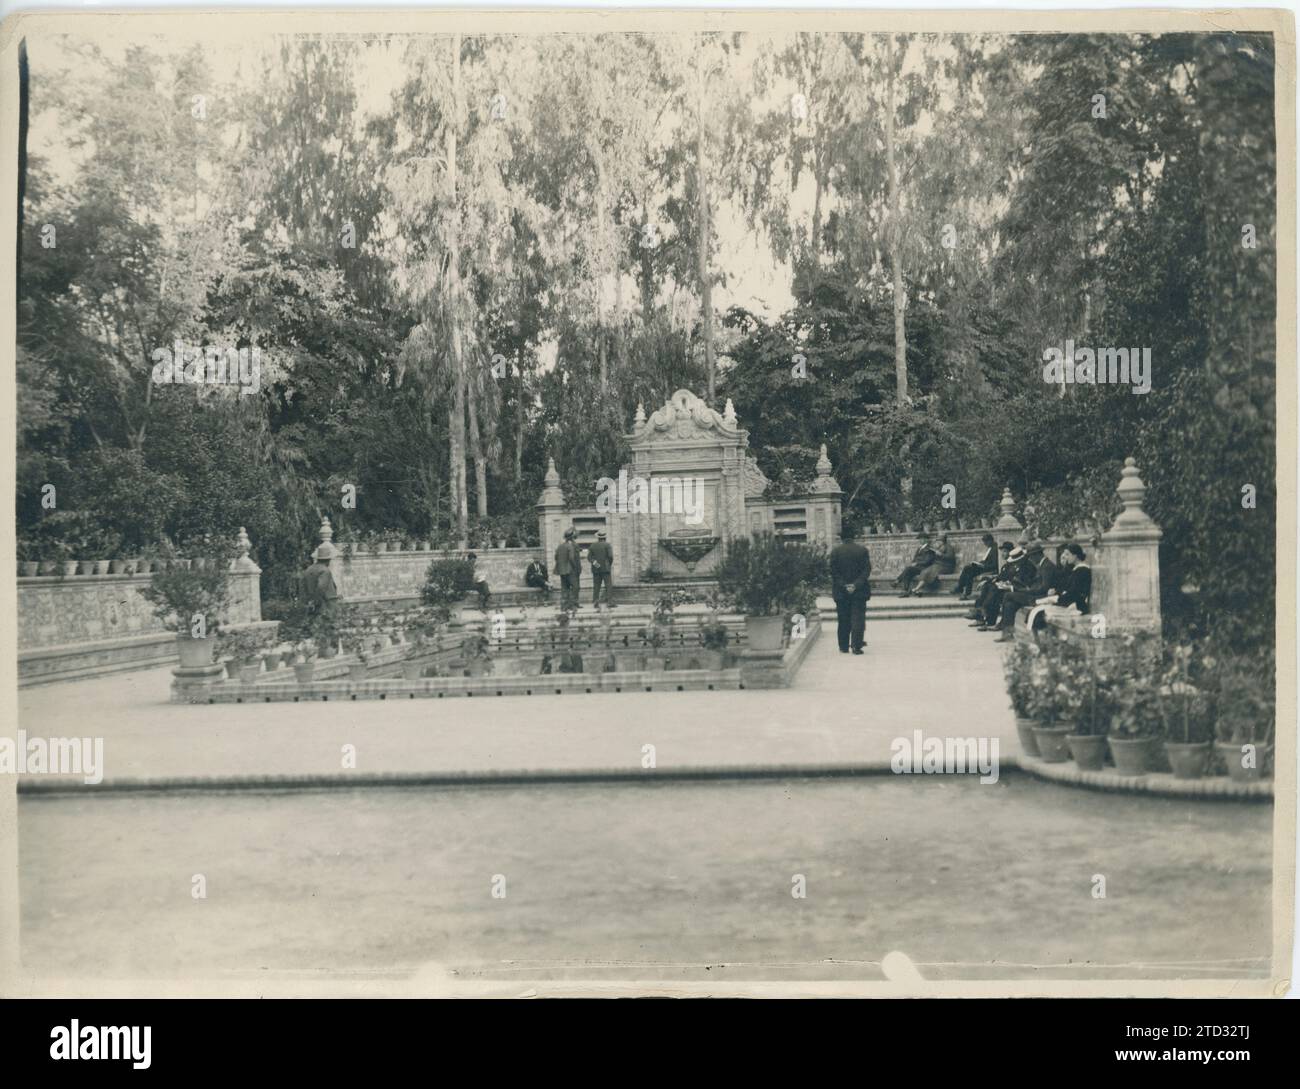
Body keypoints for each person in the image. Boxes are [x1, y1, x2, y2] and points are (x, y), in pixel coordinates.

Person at [993, 539, 1060, 641]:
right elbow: (1036, 583)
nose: (1030, 560)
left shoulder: (1047, 566)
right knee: (1009, 605)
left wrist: (1026, 591)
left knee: (1008, 595)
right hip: (1035, 594)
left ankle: (1005, 630)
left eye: (1031, 557)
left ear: (1036, 555)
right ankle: (1007, 633)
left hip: (1041, 597)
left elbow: (1044, 588)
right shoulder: (1042, 565)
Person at [1026, 543, 1091, 632]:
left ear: (1075, 556)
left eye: (1068, 554)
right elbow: (1065, 586)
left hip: (1076, 605)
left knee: (1039, 612)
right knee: (1036, 610)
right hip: (1069, 601)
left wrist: (1055, 599)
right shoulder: (1075, 570)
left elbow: (1074, 592)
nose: (1066, 557)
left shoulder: (1082, 571)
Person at [829, 534, 872, 654]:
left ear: (841, 538)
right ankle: (856, 646)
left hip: (841, 591)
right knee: (858, 618)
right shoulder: (862, 550)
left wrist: (844, 585)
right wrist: (855, 585)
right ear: (854, 537)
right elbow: (866, 570)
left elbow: (833, 571)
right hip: (859, 590)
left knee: (843, 618)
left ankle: (843, 646)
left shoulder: (836, 551)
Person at [955, 533, 998, 598]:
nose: (985, 544)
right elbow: (985, 560)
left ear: (991, 540)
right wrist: (978, 563)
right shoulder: (991, 548)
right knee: (968, 571)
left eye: (986, 542)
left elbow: (995, 564)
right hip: (983, 567)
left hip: (988, 568)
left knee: (968, 569)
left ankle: (960, 587)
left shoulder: (995, 549)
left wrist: (983, 566)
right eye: (984, 542)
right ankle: (965, 592)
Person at [554, 527, 580, 610]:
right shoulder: (570, 546)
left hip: (562, 570)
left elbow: (556, 557)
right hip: (570, 570)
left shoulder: (560, 546)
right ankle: (572, 605)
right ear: (571, 537)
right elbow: (571, 558)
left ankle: (564, 606)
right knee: (575, 587)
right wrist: (575, 567)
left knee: (564, 588)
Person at [588, 529, 614, 608]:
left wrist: (596, 564)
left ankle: (596, 601)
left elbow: (589, 558)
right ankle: (609, 602)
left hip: (596, 569)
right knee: (608, 585)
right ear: (605, 537)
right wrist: (608, 564)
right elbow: (610, 556)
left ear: (598, 538)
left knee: (596, 586)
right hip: (606, 568)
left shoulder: (592, 545)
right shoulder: (607, 545)